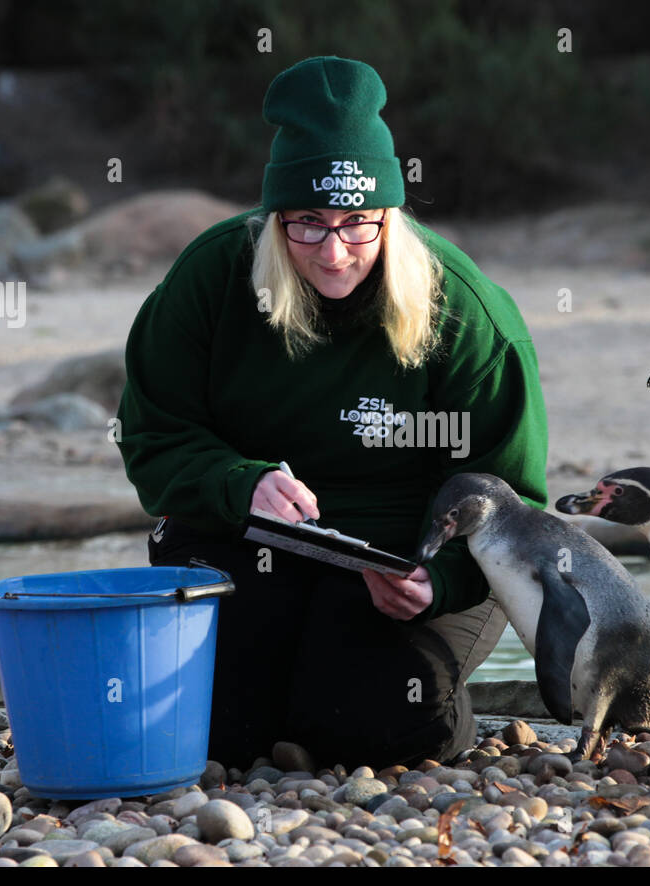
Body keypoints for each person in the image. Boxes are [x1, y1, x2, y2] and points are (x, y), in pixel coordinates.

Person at [116, 56, 548, 771]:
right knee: (212, 731)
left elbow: (514, 505)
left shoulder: (468, 313)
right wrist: (239, 481)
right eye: (307, 224)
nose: (334, 251)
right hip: (248, 539)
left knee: (379, 722)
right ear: (274, 217)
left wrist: (439, 583)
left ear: (392, 216)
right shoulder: (211, 277)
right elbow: (153, 438)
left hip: (411, 560)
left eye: (358, 224)